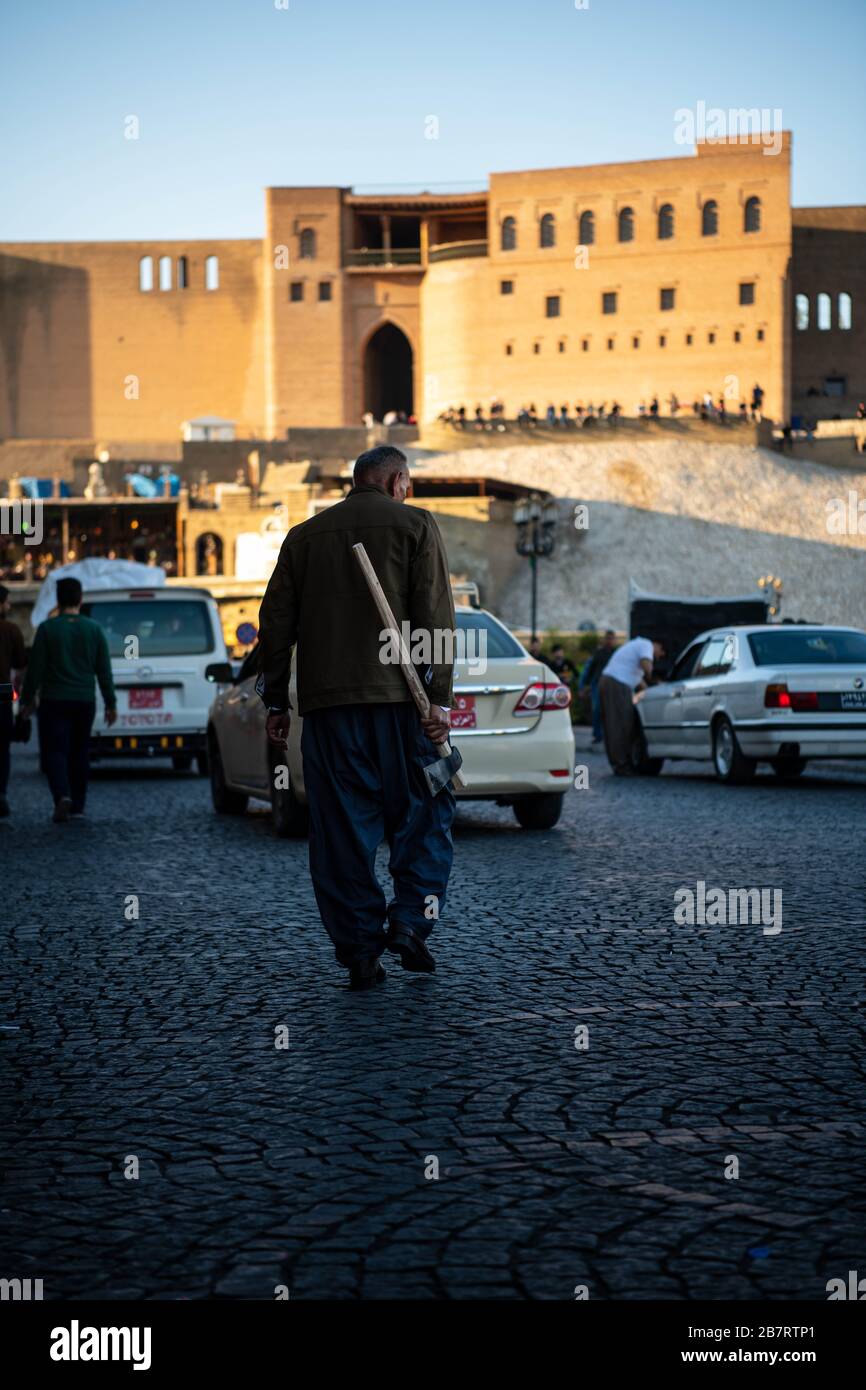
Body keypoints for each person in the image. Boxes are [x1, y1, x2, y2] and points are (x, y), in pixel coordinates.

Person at [257, 446, 456, 992]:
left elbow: (274, 623)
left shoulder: (304, 537)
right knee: (426, 815)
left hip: (330, 713)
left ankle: (360, 952)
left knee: (342, 834)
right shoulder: (416, 524)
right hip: (403, 708)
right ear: (396, 481)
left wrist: (277, 699)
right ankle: (413, 923)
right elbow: (435, 611)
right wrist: (438, 698)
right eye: (408, 483)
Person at [19, 576, 117, 821]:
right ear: (80, 599)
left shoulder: (47, 629)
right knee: (80, 751)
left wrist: (27, 700)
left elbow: (35, 670)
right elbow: (103, 670)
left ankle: (62, 795)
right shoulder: (94, 629)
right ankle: (79, 805)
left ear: (57, 600)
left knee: (55, 751)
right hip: (85, 699)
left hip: (54, 700)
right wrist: (110, 702)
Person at [598, 635, 665, 775]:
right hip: (616, 684)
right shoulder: (646, 644)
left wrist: (651, 691)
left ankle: (619, 764)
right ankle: (622, 766)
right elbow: (646, 666)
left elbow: (640, 680)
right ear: (657, 645)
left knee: (616, 725)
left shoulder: (636, 645)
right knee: (620, 725)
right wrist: (657, 680)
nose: (659, 656)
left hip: (612, 682)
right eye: (661, 653)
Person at [0, 583, 28, 817]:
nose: (9, 605)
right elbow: (20, 663)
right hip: (1, 690)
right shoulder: (10, 630)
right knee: (2, 746)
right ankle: (0, 792)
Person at [578, 629, 617, 745]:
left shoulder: (616, 653)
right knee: (597, 709)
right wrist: (585, 685)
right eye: (608, 638)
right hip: (597, 684)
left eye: (611, 639)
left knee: (610, 711)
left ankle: (609, 735)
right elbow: (590, 670)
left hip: (611, 685)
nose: (609, 641)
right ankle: (597, 735)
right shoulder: (598, 653)